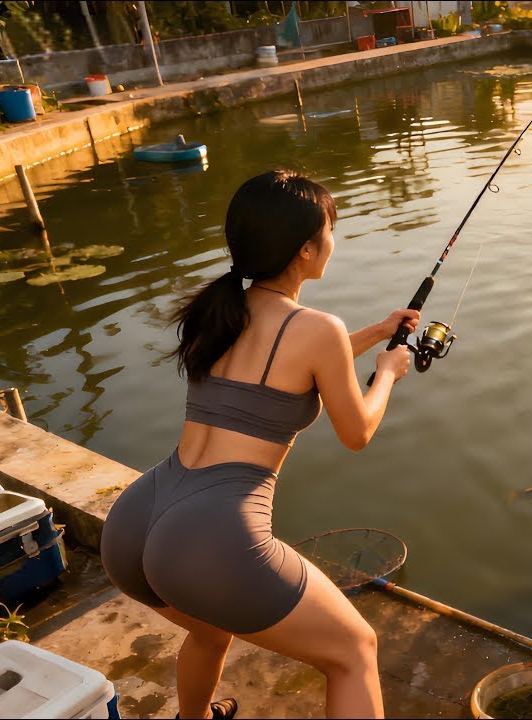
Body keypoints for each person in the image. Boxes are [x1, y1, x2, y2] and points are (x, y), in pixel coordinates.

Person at [100, 170, 419, 719]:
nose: (332, 242)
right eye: (330, 230)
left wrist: (378, 329)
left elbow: (290, 362)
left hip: (137, 519)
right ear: (304, 250)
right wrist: (387, 371)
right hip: (211, 536)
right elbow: (357, 432)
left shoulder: (217, 310)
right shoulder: (315, 327)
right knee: (354, 651)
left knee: (210, 630)